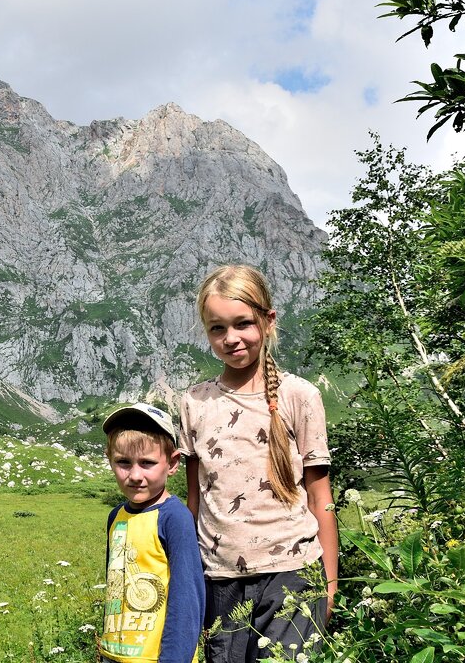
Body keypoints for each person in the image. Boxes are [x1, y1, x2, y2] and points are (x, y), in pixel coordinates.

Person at [180, 264, 338, 663]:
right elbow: (195, 502)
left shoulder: (299, 396)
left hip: (293, 573)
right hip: (220, 580)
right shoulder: (195, 402)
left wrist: (330, 585)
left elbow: (321, 497)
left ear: (268, 322)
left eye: (242, 324)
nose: (231, 338)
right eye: (217, 328)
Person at [100, 402, 204, 663]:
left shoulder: (175, 518)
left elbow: (187, 598)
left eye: (147, 463)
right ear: (109, 459)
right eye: (123, 462)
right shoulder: (116, 517)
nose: (135, 475)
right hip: (115, 654)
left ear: (172, 463)